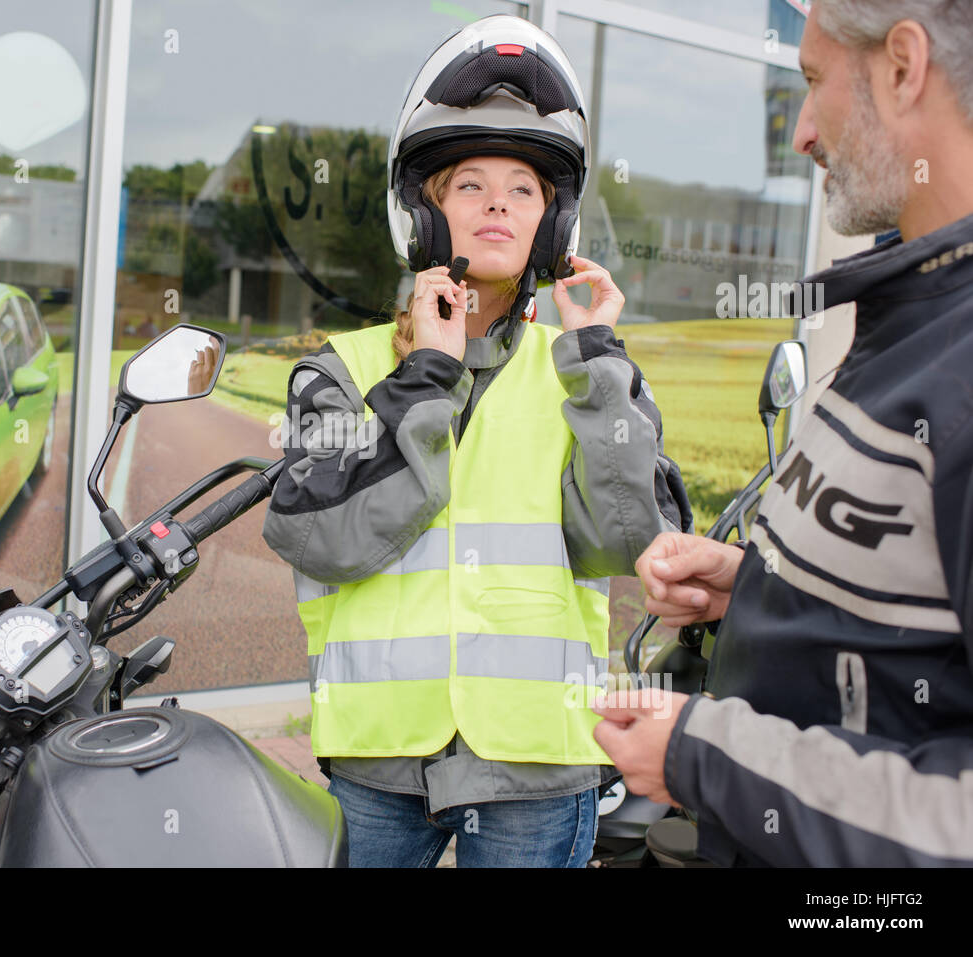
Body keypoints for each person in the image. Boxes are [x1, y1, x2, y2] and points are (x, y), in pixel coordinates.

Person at [261, 15, 691, 868]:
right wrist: (425, 374)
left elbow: (631, 541)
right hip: (379, 761)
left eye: (524, 188)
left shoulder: (588, 375)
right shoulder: (339, 371)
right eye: (469, 184)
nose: (498, 201)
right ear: (422, 215)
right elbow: (324, 537)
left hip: (536, 764)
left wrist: (599, 361)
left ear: (553, 225)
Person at [594, 0, 973, 866]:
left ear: (904, 66)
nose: (801, 132)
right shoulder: (914, 317)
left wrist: (702, 755)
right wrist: (759, 587)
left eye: (811, 81)